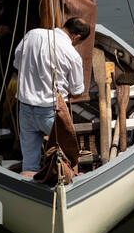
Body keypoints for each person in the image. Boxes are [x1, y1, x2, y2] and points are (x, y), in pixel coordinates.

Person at [13, 17, 91, 177]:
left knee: (29, 161)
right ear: (76, 37)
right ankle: (70, 182)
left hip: (26, 108)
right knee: (68, 155)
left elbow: (17, 61)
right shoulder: (72, 54)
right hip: (51, 112)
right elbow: (77, 90)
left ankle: (30, 186)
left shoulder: (32, 35)